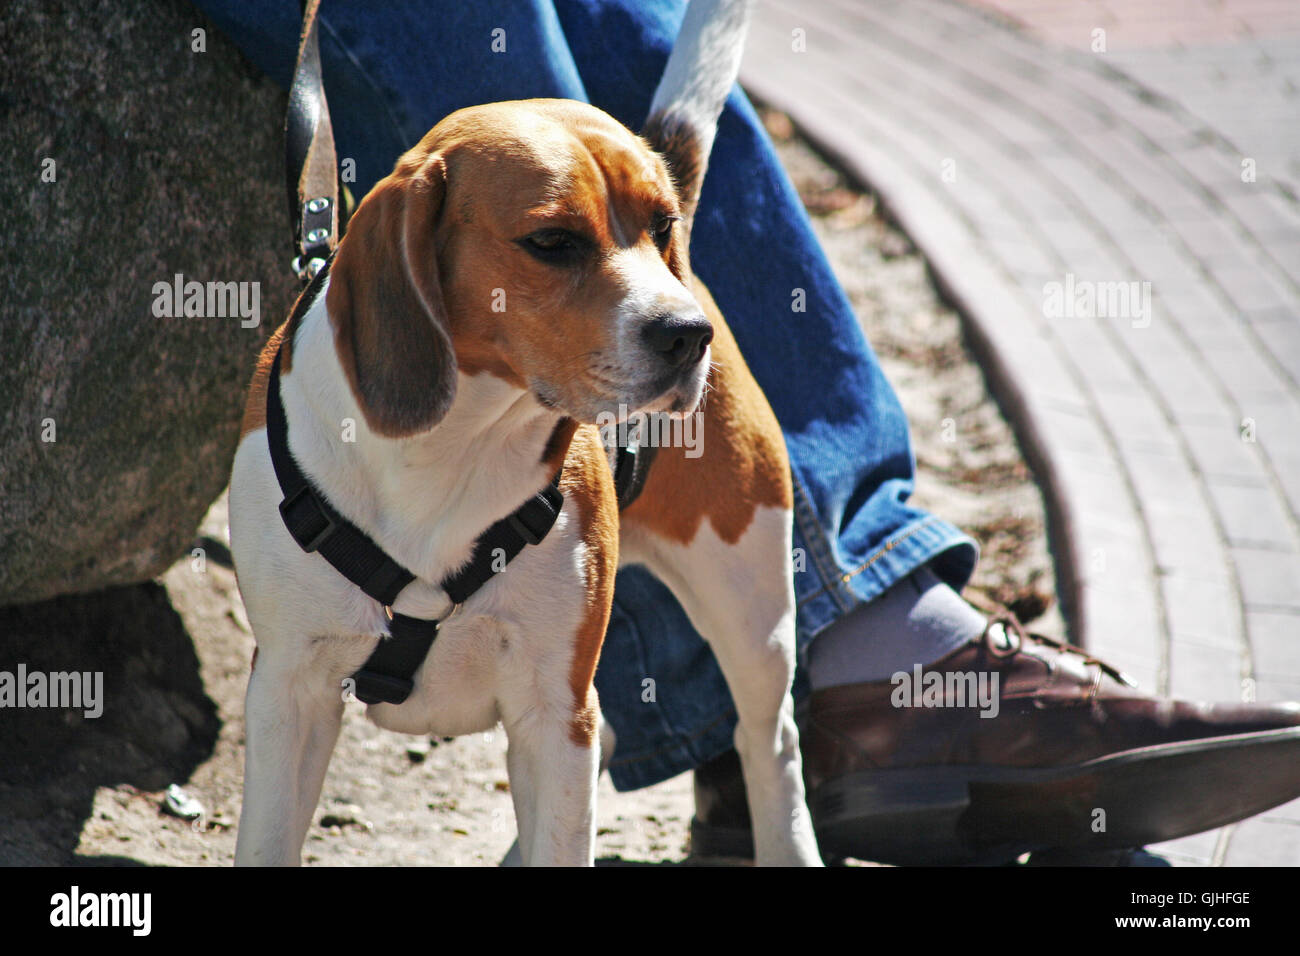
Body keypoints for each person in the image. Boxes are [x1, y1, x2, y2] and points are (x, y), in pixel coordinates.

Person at [196, 0, 1300, 864]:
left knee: (621, 19)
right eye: (552, 245)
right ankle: (862, 643)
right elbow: (290, 686)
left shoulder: (603, 431)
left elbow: (552, 713)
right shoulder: (296, 444)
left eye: (660, 238)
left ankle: (775, 780)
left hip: (586, 513)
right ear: (405, 275)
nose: (682, 315)